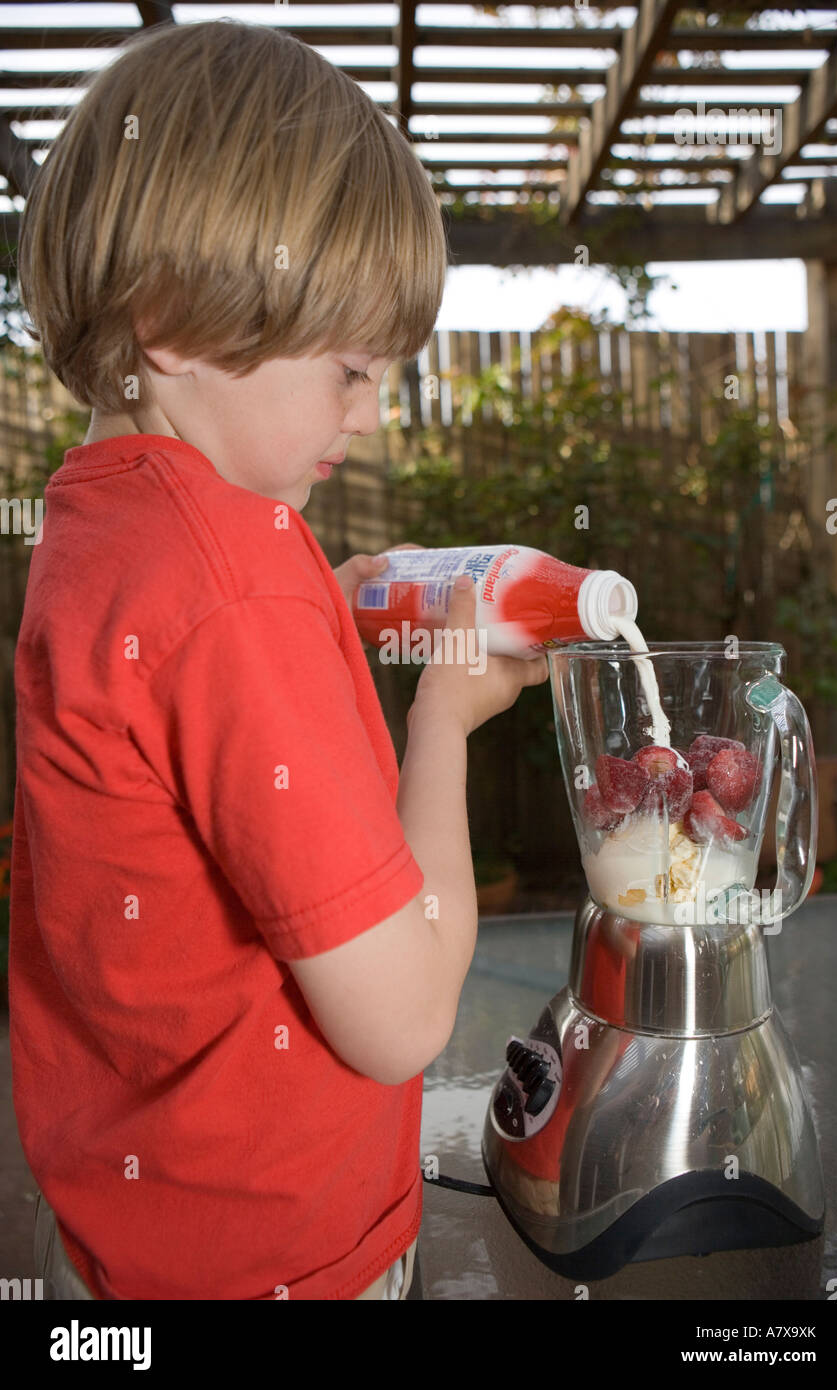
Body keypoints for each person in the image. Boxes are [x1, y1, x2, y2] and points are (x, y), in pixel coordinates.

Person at [9, 19, 548, 1300]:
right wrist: (443, 724)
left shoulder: (99, 521)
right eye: (352, 367)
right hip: (283, 1262)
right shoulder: (234, 581)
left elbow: (187, 678)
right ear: (172, 326)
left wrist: (330, 596)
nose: (368, 412)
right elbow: (403, 1013)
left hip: (133, 1235)